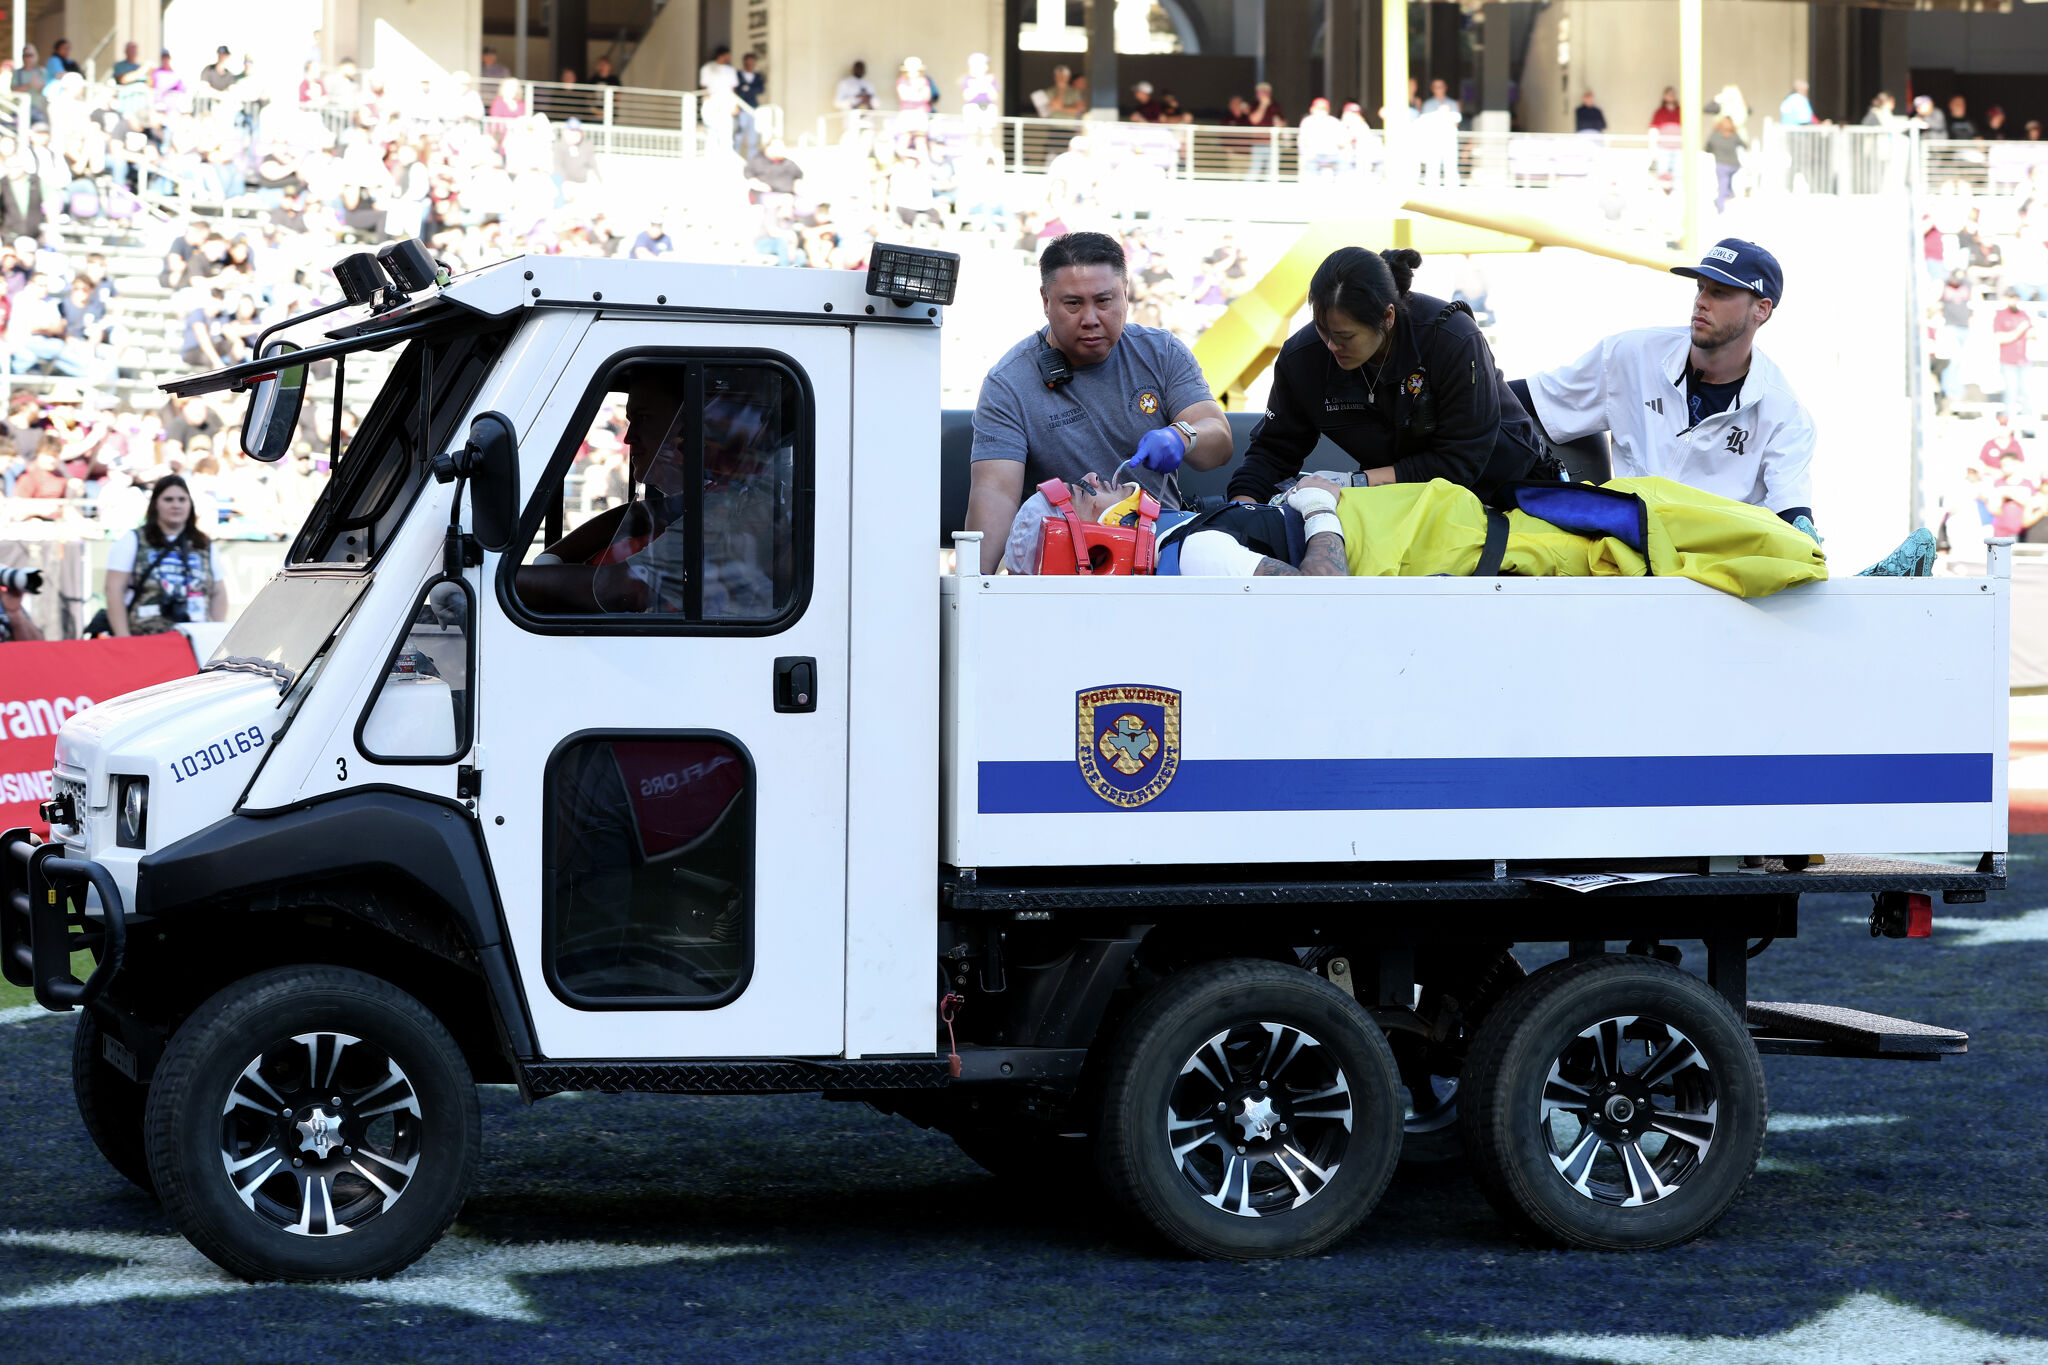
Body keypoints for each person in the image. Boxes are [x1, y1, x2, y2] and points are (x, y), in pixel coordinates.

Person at [1005, 470, 1834, 595]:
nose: (1100, 480)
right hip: (1445, 544)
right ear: (1086, 531)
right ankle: (1811, 563)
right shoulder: (1200, 556)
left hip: (1439, 526)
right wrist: (1320, 506)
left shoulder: (1186, 537)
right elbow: (1320, 599)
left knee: (1642, 510)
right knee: (1642, 527)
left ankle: (1802, 550)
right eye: (1082, 492)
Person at [963, 230, 1231, 574]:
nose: (1090, 318)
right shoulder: (1009, 382)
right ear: (1045, 301)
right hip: (1069, 564)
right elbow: (995, 493)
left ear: (1125, 295)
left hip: (1162, 550)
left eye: (1104, 301)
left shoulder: (1161, 352)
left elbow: (1218, 441)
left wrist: (1182, 436)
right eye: (1073, 303)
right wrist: (974, 586)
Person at [1523, 237, 1816, 528]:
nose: (1701, 302)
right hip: (1623, 552)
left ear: (1761, 309)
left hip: (1713, 566)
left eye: (1720, 293)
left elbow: (1792, 516)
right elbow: (1523, 399)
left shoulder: (1785, 413)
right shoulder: (1631, 354)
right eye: (1700, 288)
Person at [1228, 247, 1552, 507]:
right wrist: (1242, 509)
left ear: (1387, 317)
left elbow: (1460, 463)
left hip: (1507, 494)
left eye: (1344, 335)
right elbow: (1273, 450)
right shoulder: (1304, 358)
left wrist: (1351, 483)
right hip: (1396, 500)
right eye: (1322, 329)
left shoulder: (1452, 340)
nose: (1331, 346)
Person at [104, 474, 227, 635]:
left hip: (196, 637)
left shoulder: (204, 544)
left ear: (190, 505)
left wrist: (215, 635)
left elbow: (218, 592)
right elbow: (114, 589)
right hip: (146, 637)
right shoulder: (132, 540)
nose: (176, 505)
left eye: (182, 499)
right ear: (155, 504)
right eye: (168, 499)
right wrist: (123, 638)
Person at [1994, 287, 2034, 425]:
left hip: (2024, 360)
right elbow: (2000, 337)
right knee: (2011, 394)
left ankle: (2029, 427)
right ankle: (2008, 427)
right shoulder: (2000, 315)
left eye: (2016, 297)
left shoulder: (2023, 315)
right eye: (2011, 297)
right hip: (2008, 361)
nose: (2014, 300)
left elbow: (2032, 334)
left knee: (2028, 394)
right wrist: (2019, 331)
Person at [1418, 78, 1462, 186]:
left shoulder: (1452, 103)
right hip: (1433, 139)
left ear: (1445, 87)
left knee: (1451, 165)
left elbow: (1456, 122)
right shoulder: (1428, 105)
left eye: (1440, 86)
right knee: (1433, 166)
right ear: (1432, 89)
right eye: (1436, 87)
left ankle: (1452, 189)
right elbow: (1425, 123)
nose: (1438, 89)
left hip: (1449, 139)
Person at [1706, 114, 1746, 211]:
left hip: (1722, 165)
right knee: (1726, 185)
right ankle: (1727, 196)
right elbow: (1745, 145)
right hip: (1734, 166)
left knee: (1722, 186)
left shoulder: (1715, 135)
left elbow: (1707, 148)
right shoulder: (1734, 135)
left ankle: (1720, 208)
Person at [735, 52, 765, 157]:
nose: (751, 63)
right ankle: (736, 157)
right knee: (739, 135)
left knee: (753, 136)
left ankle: (752, 160)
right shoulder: (738, 74)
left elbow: (761, 90)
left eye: (753, 61)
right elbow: (737, 89)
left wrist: (748, 89)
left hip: (753, 107)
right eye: (749, 61)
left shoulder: (757, 76)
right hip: (742, 107)